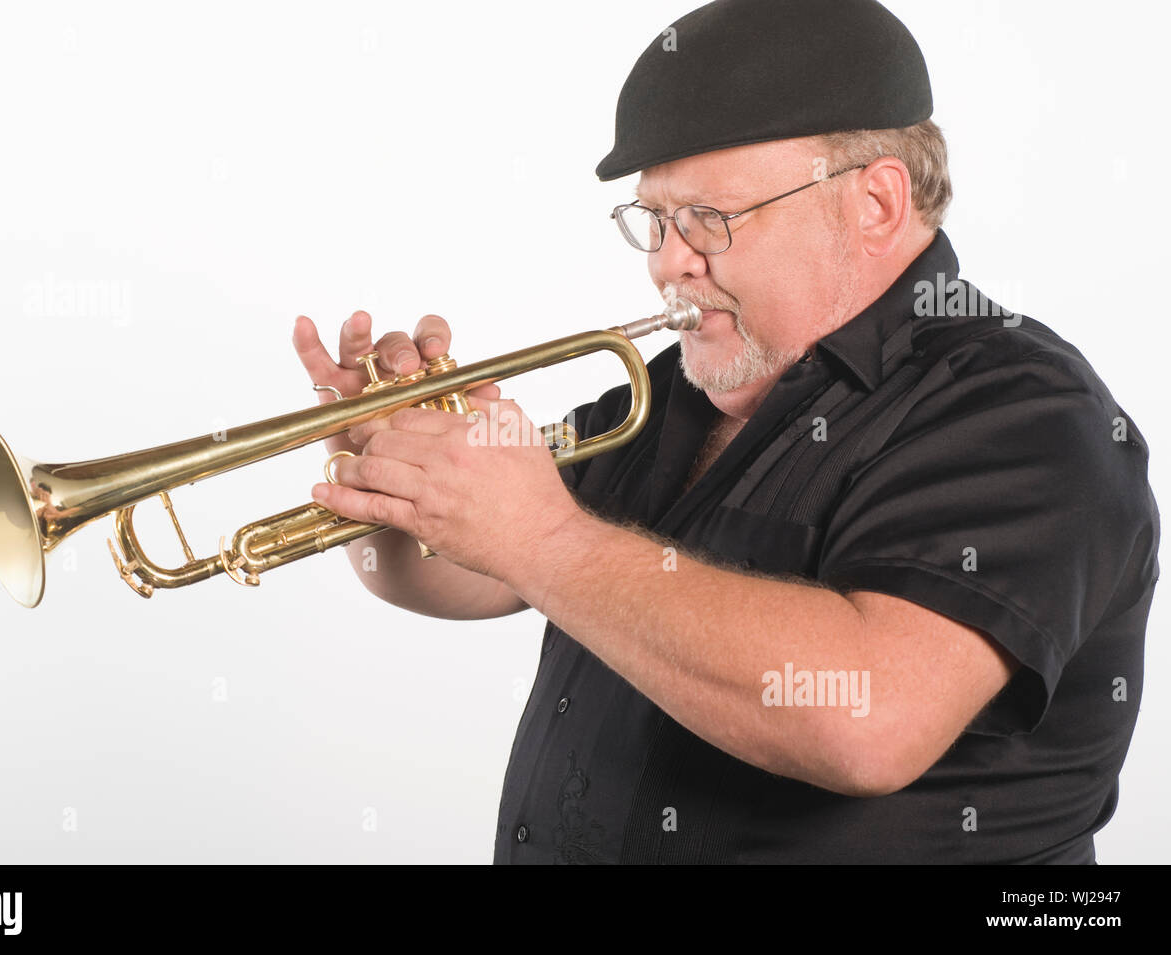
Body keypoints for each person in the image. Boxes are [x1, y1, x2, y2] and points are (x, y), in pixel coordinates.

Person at [291, 0, 1159, 864]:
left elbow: (867, 721)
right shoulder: (679, 390)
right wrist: (383, 469)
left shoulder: (1027, 414)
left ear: (877, 202)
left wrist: (546, 536)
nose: (671, 259)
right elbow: (457, 576)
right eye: (656, 221)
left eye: (711, 217)